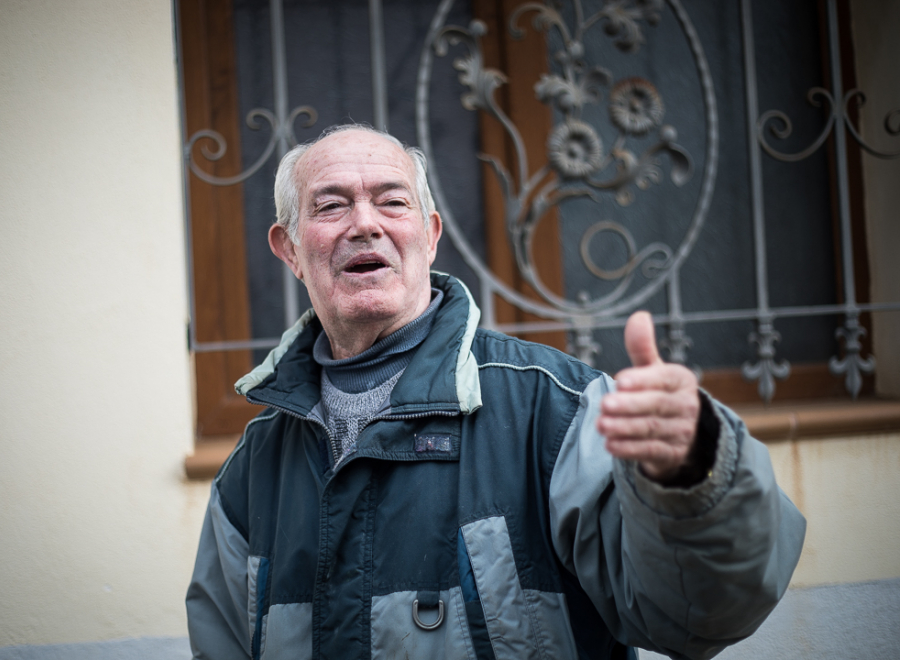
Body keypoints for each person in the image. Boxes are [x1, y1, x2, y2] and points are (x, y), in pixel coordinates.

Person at [186, 125, 806, 660]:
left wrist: (692, 469)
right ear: (290, 250)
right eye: (331, 206)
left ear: (429, 236)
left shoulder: (559, 412)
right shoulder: (249, 476)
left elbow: (699, 618)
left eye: (391, 202)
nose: (365, 224)